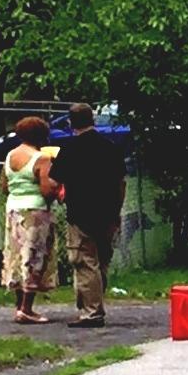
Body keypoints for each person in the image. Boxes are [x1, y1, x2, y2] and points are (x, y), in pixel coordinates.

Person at [48, 102, 126, 327]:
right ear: (92, 119)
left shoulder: (70, 149)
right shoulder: (110, 147)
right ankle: (96, 302)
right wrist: (116, 211)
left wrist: (62, 195)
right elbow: (121, 183)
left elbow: (54, 181)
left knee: (84, 261)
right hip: (107, 211)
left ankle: (91, 311)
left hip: (81, 212)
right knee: (101, 260)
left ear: (71, 122)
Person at [0, 117, 59, 324]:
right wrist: (56, 186)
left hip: (13, 209)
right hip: (35, 211)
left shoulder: (9, 156)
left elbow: (4, 186)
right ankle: (27, 308)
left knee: (17, 256)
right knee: (35, 257)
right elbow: (46, 189)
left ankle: (19, 305)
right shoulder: (41, 158)